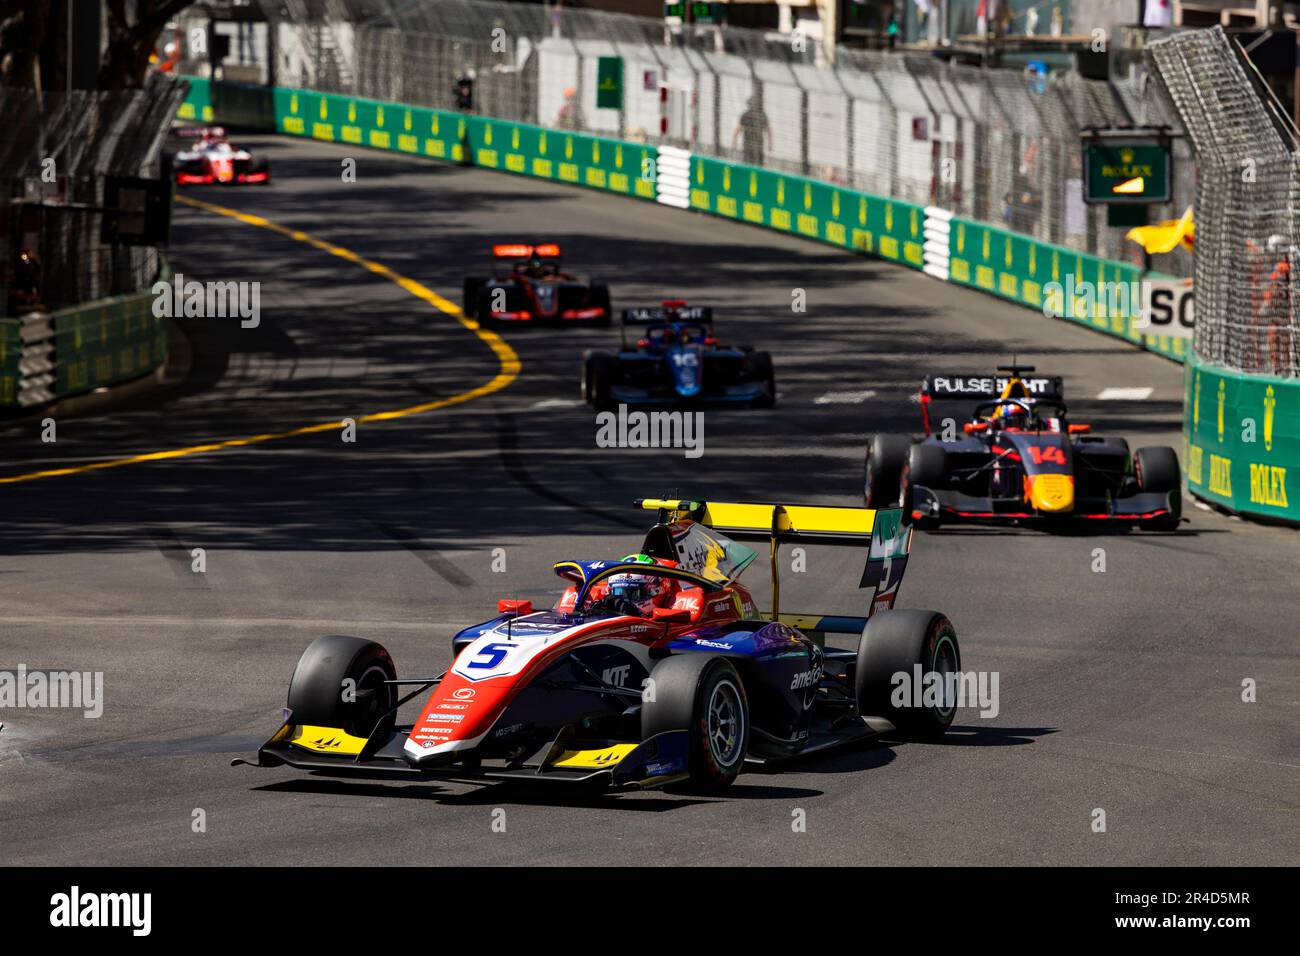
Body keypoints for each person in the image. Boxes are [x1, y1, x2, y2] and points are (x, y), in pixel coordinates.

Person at [731, 95, 771, 167]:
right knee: (756, 162)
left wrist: (734, 142)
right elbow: (768, 130)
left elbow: (737, 130)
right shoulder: (759, 115)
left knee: (750, 162)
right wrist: (770, 144)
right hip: (753, 144)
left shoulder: (748, 115)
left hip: (753, 144)